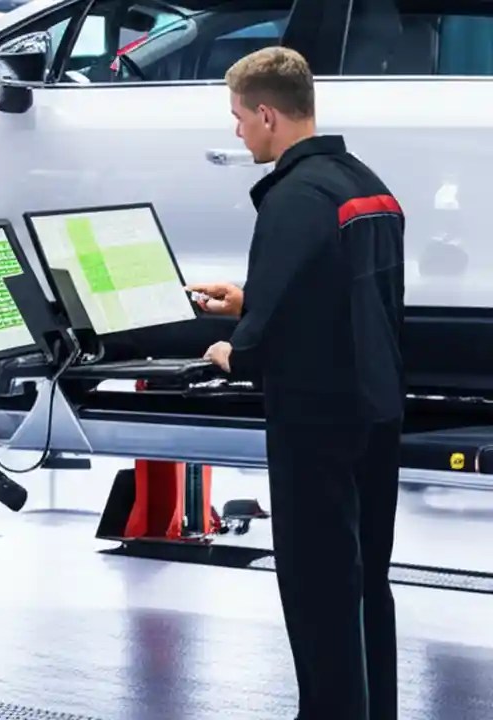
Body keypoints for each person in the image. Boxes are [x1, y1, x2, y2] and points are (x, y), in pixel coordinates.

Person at [187, 47, 406, 720]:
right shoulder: (364, 184)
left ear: (265, 113)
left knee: (317, 588)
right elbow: (336, 292)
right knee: (366, 582)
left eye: (238, 118)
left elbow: (264, 342)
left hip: (315, 419)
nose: (237, 133)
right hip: (374, 408)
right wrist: (250, 300)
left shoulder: (291, 197)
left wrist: (233, 347)